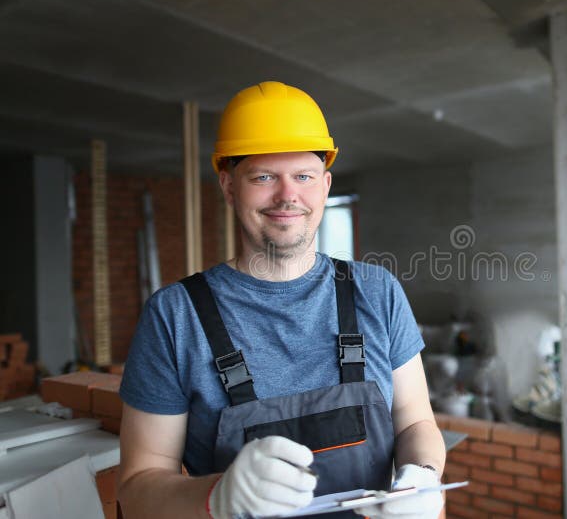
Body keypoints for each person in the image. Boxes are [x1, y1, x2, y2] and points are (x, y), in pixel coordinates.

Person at [117, 81, 446, 519]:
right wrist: (216, 498)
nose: (288, 195)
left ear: (325, 186)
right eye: (264, 177)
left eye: (304, 176)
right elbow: (137, 488)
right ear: (229, 186)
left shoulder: (378, 292)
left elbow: (415, 422)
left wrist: (422, 476)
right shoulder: (175, 316)